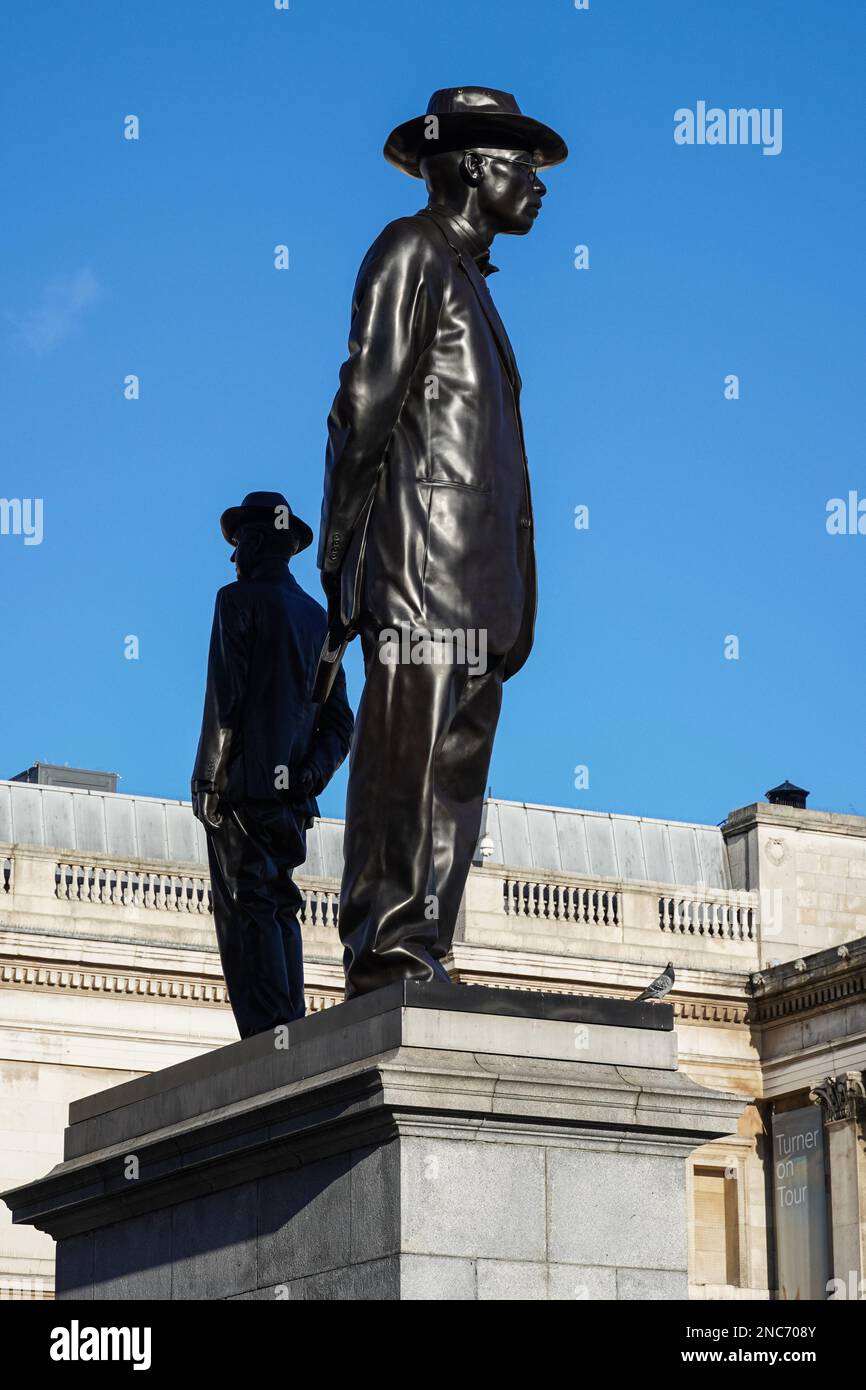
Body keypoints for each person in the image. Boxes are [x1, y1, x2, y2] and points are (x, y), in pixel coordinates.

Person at [316, 88, 567, 998]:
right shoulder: (409, 249)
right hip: (419, 570)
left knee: (455, 776)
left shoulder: (472, 283)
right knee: (404, 758)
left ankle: (424, 943)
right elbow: (365, 404)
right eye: (521, 165)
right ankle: (384, 944)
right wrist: (341, 552)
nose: (539, 185)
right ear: (467, 166)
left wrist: (521, 591)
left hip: (477, 587)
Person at [192, 490, 353, 1037]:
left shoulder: (236, 602)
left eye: (238, 545)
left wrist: (207, 779)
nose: (234, 558)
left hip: (243, 788)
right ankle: (287, 1025)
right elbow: (339, 723)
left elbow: (225, 699)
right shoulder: (319, 622)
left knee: (246, 908)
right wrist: (309, 775)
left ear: (258, 544)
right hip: (291, 797)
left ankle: (265, 1037)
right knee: (280, 903)